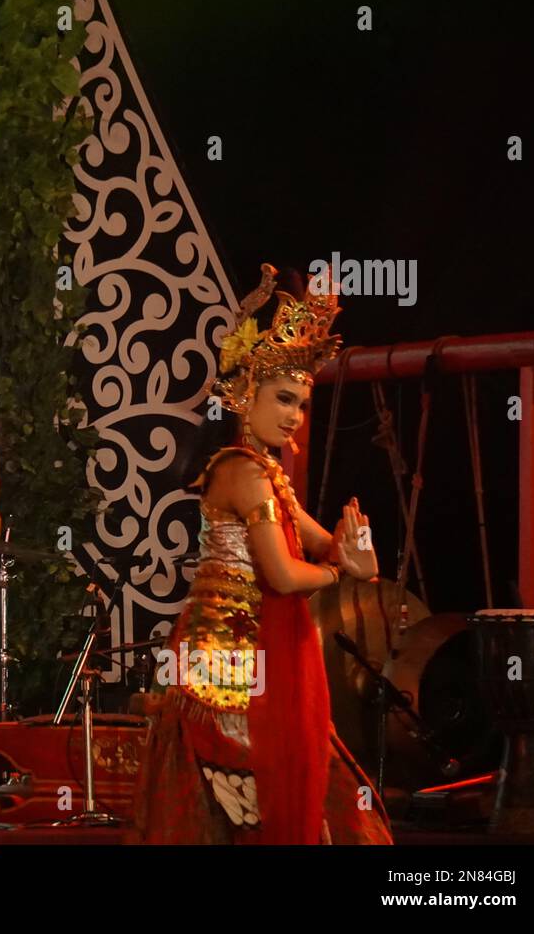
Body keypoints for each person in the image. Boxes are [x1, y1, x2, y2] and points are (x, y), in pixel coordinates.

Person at [138, 264, 392, 844]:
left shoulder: (268, 475)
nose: (293, 416)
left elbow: (324, 544)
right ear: (244, 393)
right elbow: (281, 573)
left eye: (300, 403)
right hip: (227, 655)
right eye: (282, 399)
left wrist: (358, 552)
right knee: (242, 799)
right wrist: (339, 571)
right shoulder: (242, 472)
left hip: (261, 648)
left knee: (296, 786)